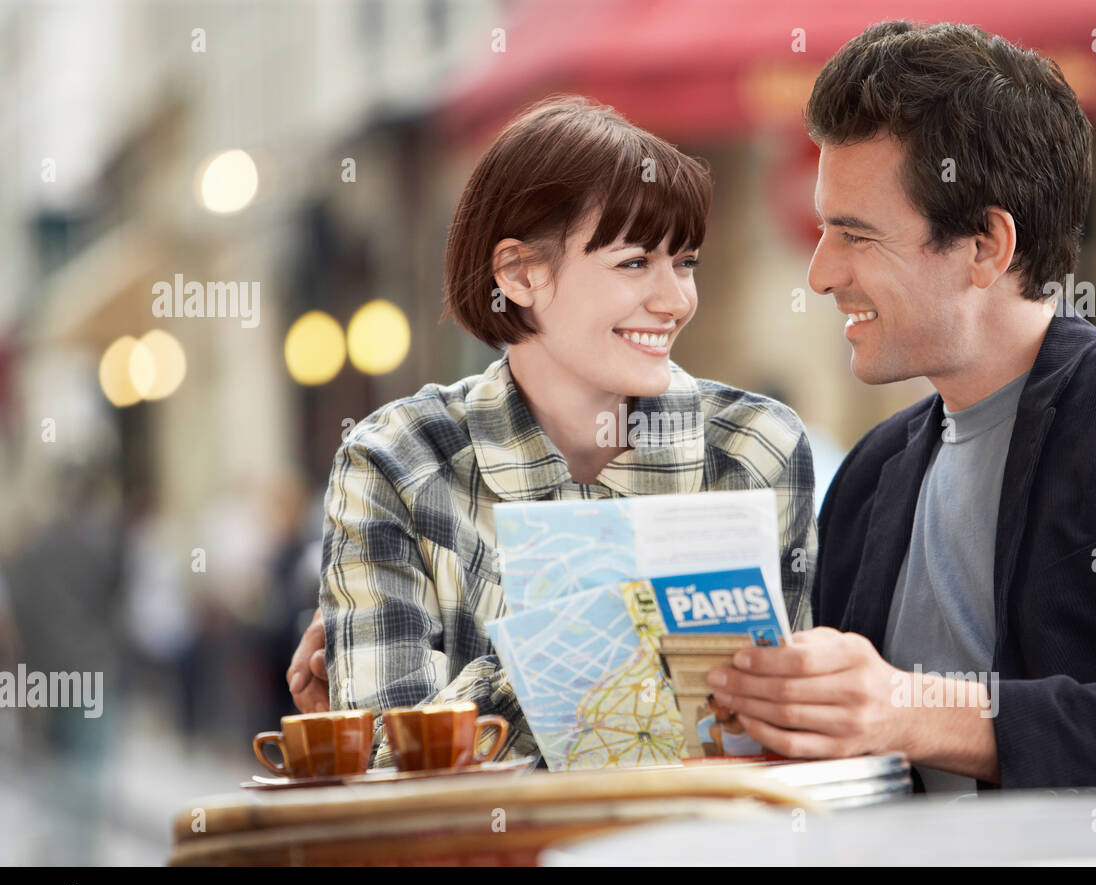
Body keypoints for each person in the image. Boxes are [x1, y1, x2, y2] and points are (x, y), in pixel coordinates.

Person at [704, 21, 1096, 789]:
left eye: (855, 235)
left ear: (987, 246)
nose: (819, 274)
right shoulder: (871, 476)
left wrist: (913, 709)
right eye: (823, 230)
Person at [300, 96, 817, 767]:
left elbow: (792, 742)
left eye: (684, 262)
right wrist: (603, 635)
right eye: (635, 263)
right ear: (518, 274)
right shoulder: (398, 461)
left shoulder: (756, 447)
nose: (676, 299)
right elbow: (390, 761)